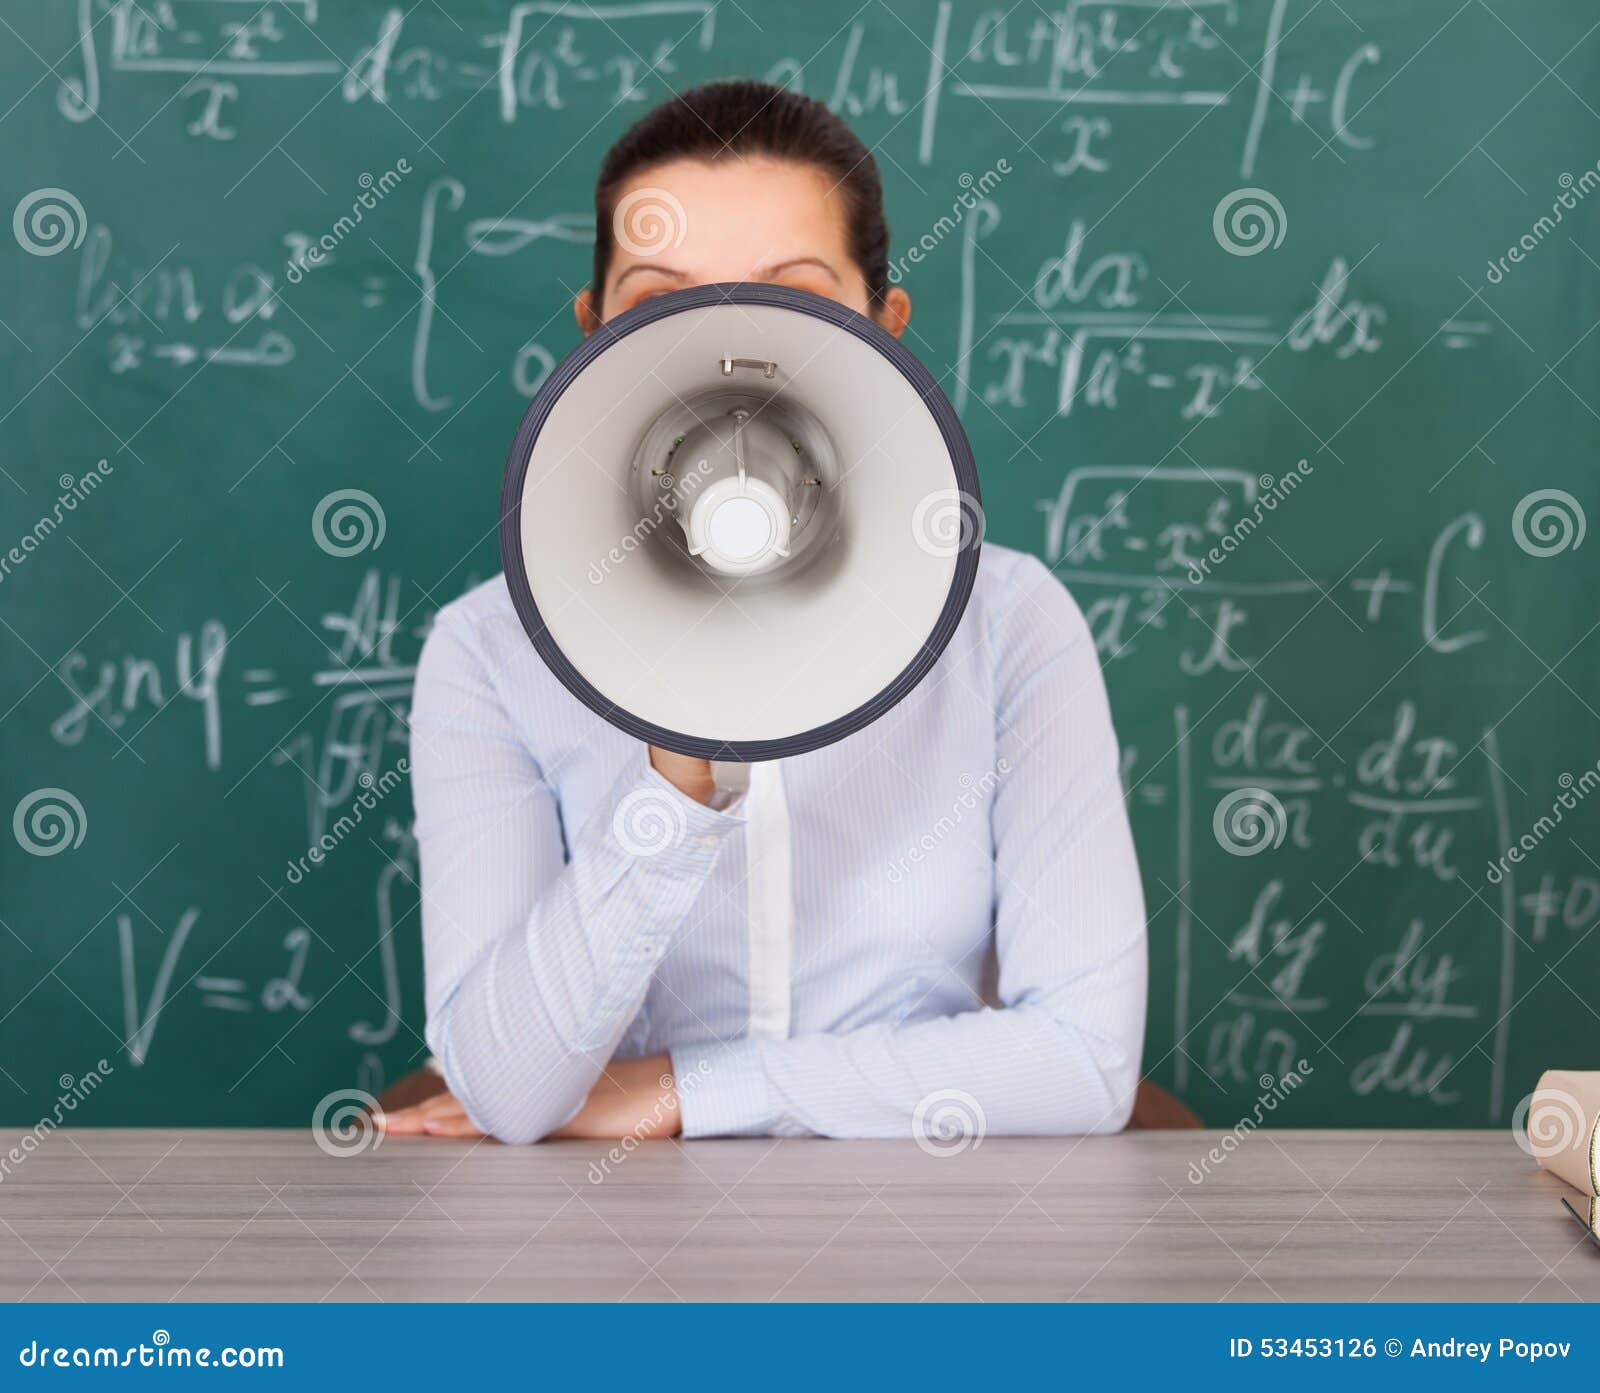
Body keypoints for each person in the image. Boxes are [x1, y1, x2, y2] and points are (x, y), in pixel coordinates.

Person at [381, 79, 1148, 1144]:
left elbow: (1083, 1062)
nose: (728, 344)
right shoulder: (489, 648)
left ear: (885, 328)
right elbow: (511, 1092)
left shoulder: (1007, 623)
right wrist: (674, 773)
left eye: (792, 295)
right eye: (659, 304)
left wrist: (687, 1089)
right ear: (593, 330)